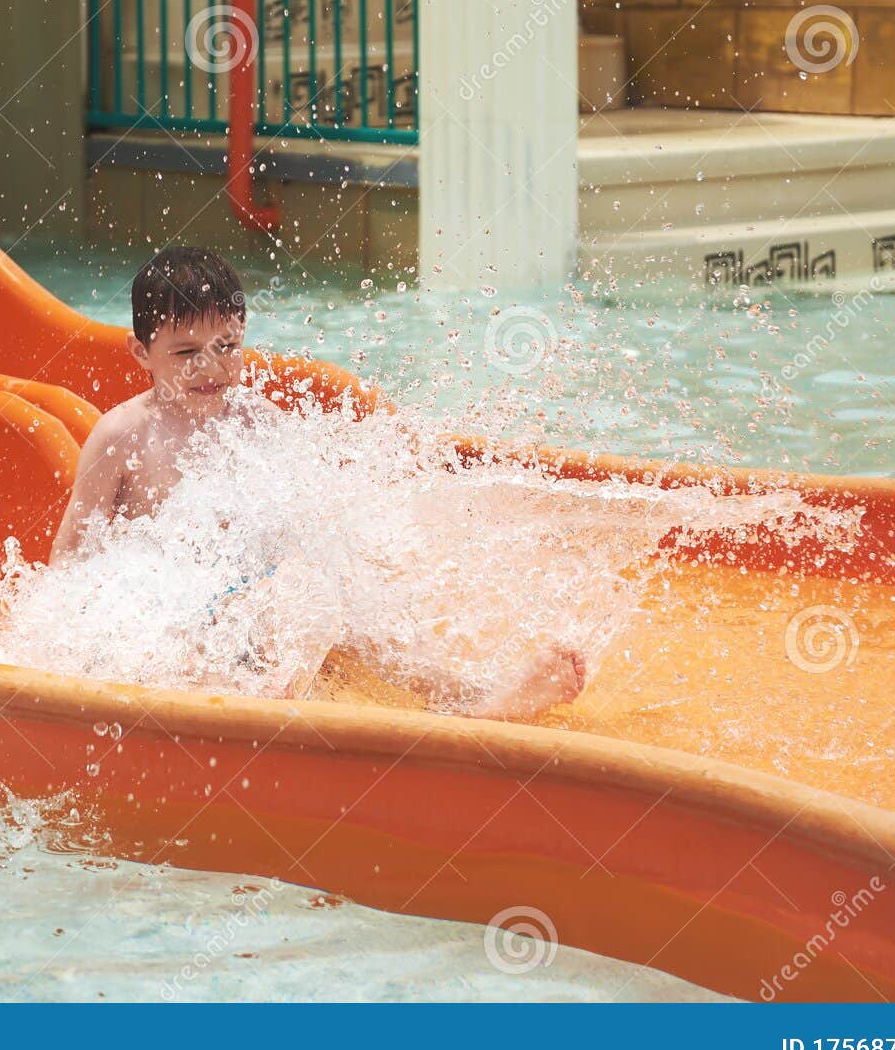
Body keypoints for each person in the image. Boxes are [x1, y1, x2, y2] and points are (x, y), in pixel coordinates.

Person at [50, 245, 585, 719]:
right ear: (141, 352)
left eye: (227, 346)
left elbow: (309, 518)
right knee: (286, 605)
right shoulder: (122, 435)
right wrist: (74, 644)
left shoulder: (257, 421)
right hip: (174, 626)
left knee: (338, 605)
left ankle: (467, 695)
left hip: (257, 614)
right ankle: (272, 699)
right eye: (187, 352)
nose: (210, 367)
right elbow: (74, 552)